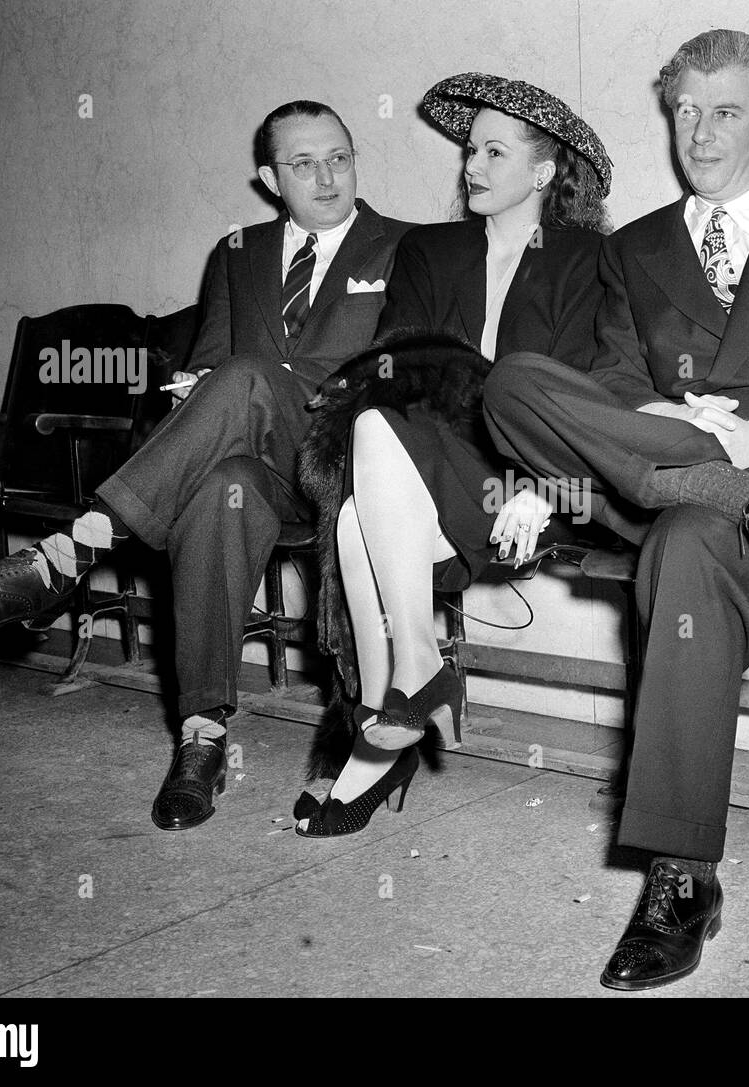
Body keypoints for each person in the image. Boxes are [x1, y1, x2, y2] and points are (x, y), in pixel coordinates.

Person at [483, 30, 749, 989]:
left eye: (724, 110)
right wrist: (670, 417)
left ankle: (679, 876)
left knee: (683, 541)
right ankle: (740, 505)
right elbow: (608, 382)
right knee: (511, 383)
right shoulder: (634, 247)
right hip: (679, 476)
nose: (700, 130)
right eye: (684, 109)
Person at [0, 100, 412, 832]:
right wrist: (196, 387)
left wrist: (242, 380)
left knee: (246, 378)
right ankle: (202, 736)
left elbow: (404, 373)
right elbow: (212, 362)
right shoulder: (238, 252)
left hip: (348, 465)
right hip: (260, 468)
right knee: (221, 488)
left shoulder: (405, 247)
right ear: (270, 178)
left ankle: (69, 553)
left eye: (339, 156)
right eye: (303, 163)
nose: (327, 175)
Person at [291, 72, 612, 837]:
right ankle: (413, 676)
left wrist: (545, 487)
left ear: (543, 171)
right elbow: (394, 367)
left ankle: (386, 720)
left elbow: (593, 393)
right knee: (369, 438)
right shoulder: (431, 250)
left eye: (494, 152)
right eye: (471, 150)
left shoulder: (590, 261)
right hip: (427, 461)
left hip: (539, 478)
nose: (472, 165)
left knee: (352, 523)